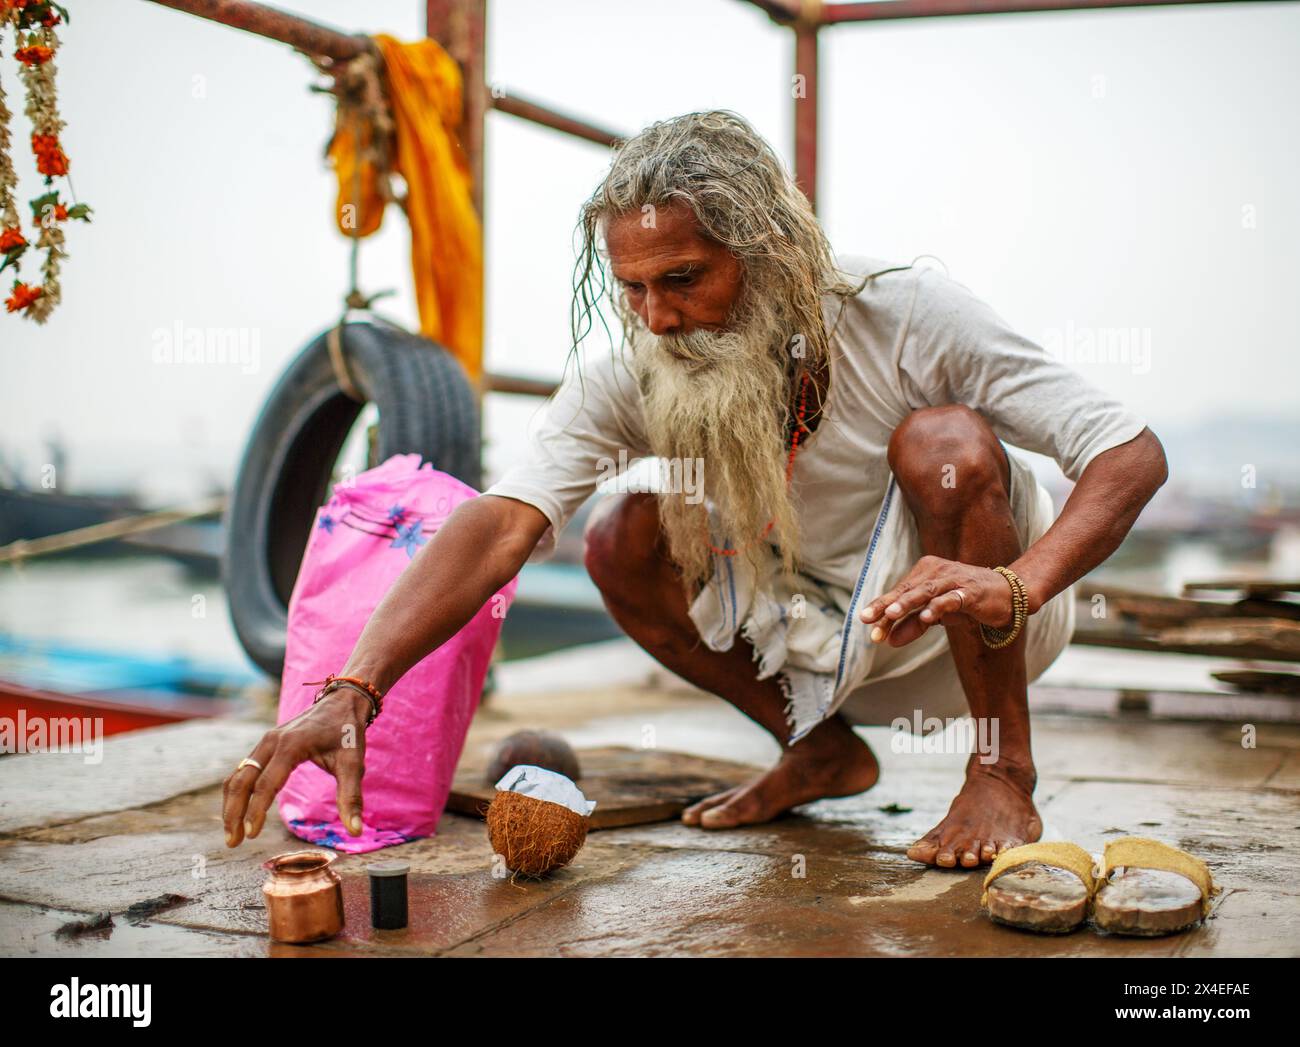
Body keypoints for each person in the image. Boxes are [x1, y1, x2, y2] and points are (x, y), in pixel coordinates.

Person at [223, 110, 1167, 869]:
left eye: (683, 279)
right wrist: (354, 685)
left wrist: (1020, 583)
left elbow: (1128, 453)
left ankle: (1003, 772)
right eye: (632, 289)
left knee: (945, 443)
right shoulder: (639, 366)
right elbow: (505, 521)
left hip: (983, 626)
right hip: (816, 650)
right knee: (617, 531)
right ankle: (820, 748)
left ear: (773, 257)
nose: (659, 318)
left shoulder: (906, 311)